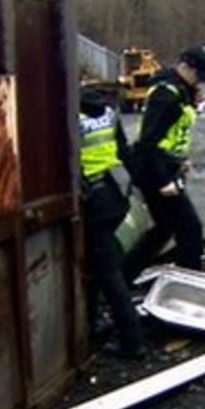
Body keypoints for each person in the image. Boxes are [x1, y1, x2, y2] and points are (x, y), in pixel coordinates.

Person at [124, 46, 205, 281]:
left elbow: (171, 135)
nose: (198, 83)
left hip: (164, 167)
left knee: (165, 228)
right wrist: (164, 180)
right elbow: (148, 142)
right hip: (155, 171)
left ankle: (123, 277)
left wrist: (180, 161)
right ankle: (190, 284)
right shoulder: (166, 95)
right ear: (185, 67)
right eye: (197, 76)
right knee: (190, 228)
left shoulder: (178, 90)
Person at [79, 86, 146, 359]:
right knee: (99, 264)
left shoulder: (72, 117)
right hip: (115, 192)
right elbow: (124, 151)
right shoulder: (108, 111)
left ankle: (132, 342)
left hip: (93, 200)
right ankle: (94, 322)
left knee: (107, 272)